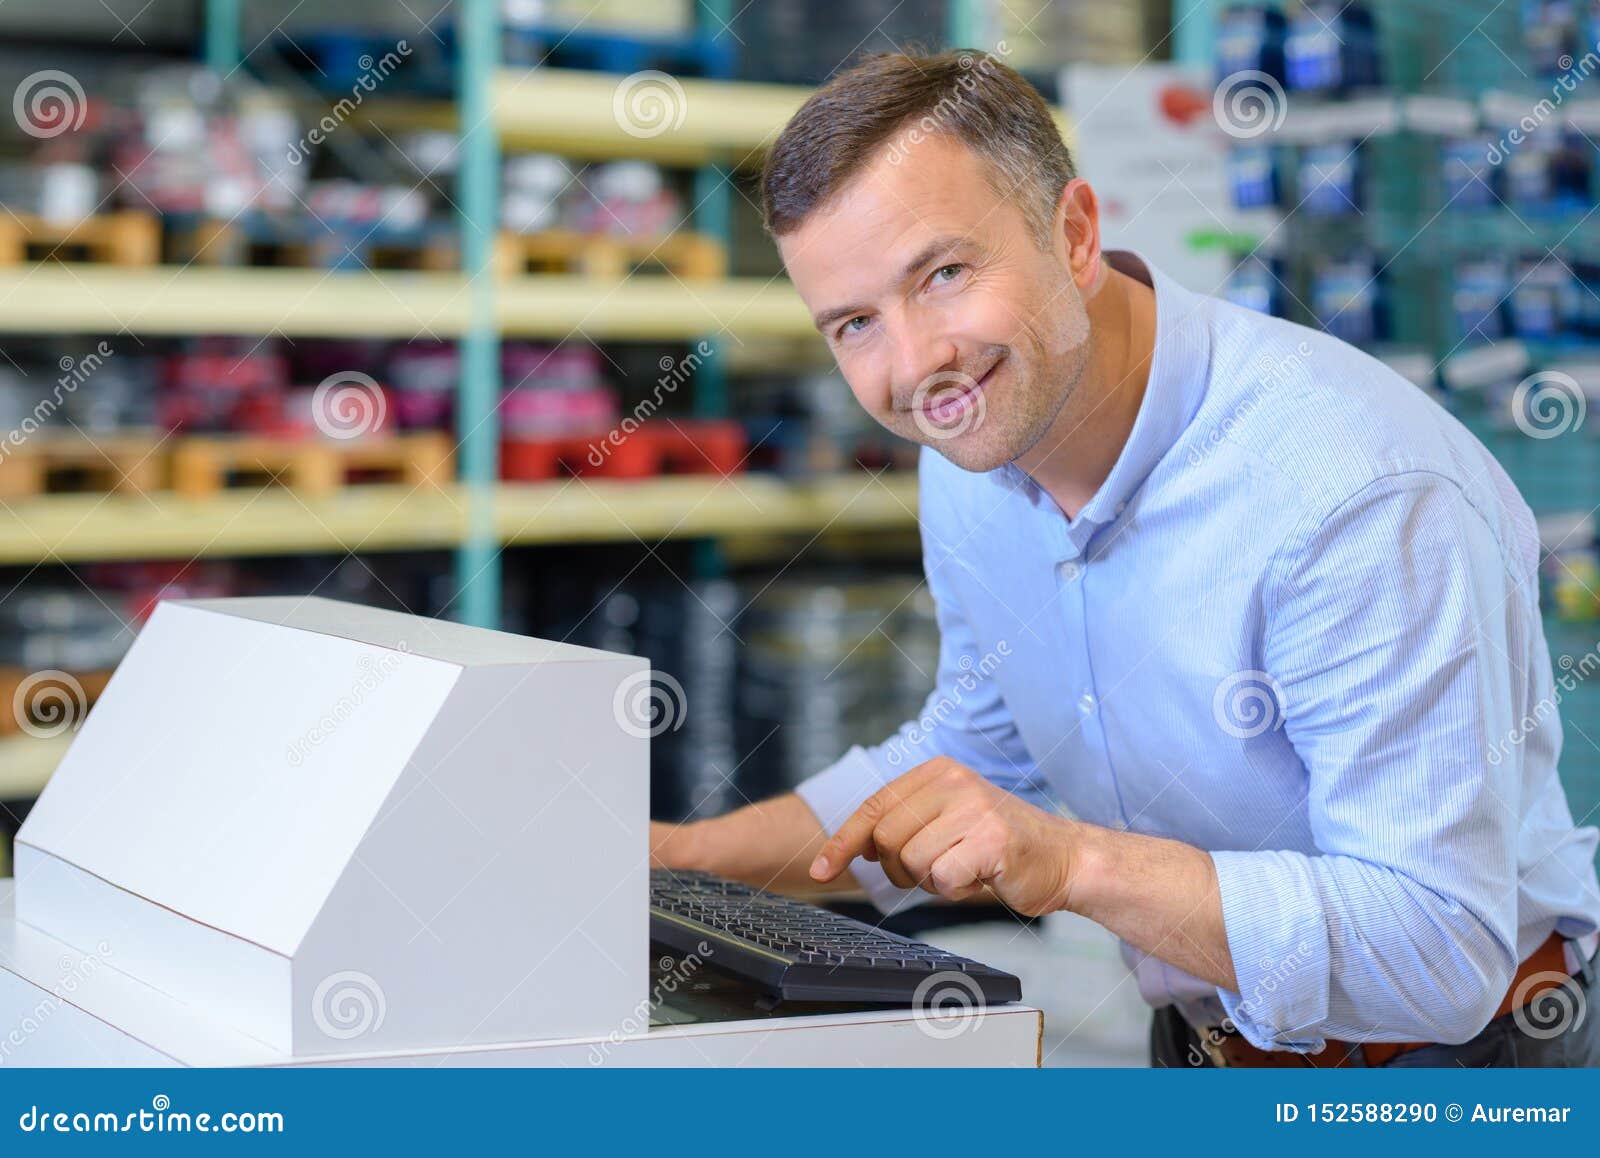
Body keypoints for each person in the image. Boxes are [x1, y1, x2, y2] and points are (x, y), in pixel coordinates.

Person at [651, 49, 1600, 1066]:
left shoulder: (1352, 492)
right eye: (854, 323)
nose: (914, 363)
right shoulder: (972, 454)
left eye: (944, 274)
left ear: (1074, 233)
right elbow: (967, 757)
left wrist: (1068, 862)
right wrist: (671, 865)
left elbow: (1437, 953)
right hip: (1200, 1042)